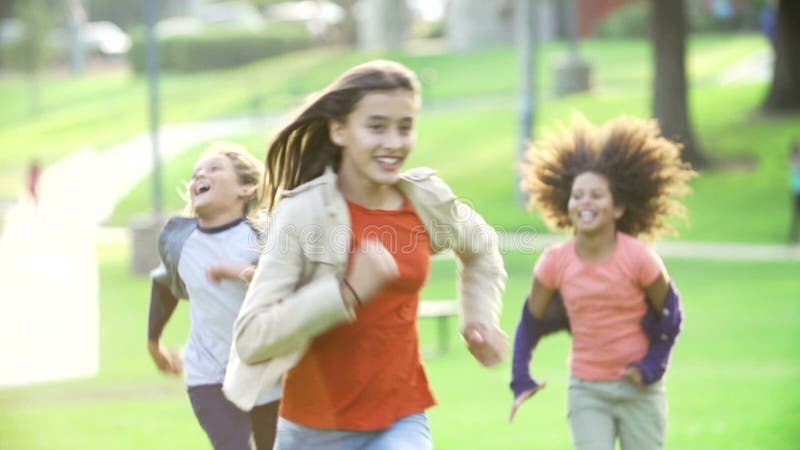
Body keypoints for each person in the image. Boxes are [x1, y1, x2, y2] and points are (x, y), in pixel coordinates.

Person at [222, 60, 508, 450]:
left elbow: (482, 247)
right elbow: (252, 337)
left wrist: (479, 319)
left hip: (400, 421)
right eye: (376, 126)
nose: (394, 142)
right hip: (307, 430)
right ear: (339, 130)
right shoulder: (303, 213)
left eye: (405, 127)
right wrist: (346, 293)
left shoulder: (425, 202)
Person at [510, 115, 696, 450]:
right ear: (566, 204)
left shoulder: (639, 258)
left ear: (619, 207)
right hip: (587, 390)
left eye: (596, 195)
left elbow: (671, 314)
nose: (585, 202)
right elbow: (530, 322)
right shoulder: (555, 262)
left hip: (640, 390)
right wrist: (521, 377)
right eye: (578, 195)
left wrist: (651, 366)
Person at [147, 141, 280, 450]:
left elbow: (280, 284)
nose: (199, 177)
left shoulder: (263, 236)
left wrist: (236, 270)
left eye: (214, 169)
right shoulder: (180, 241)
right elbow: (165, 284)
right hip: (209, 376)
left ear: (245, 188)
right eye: (196, 174)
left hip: (266, 375)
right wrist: (155, 345)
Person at [789, 140, 800, 244]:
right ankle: (792, 238)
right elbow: (796, 168)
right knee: (796, 215)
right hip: (797, 190)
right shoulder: (793, 160)